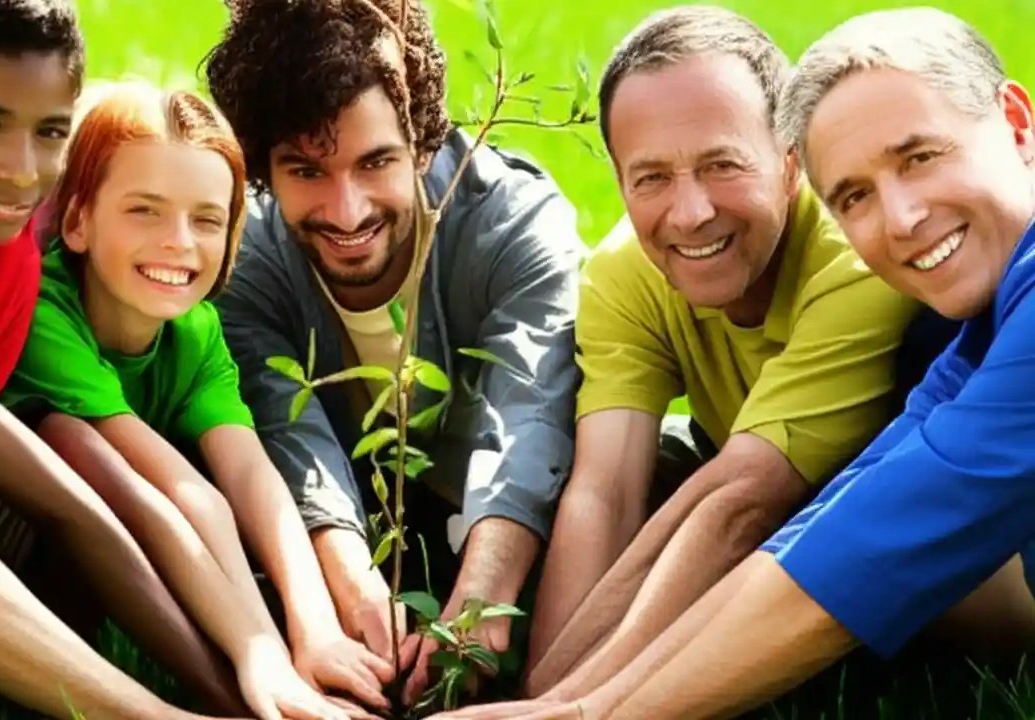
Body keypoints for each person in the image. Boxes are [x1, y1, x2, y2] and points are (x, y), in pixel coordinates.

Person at [436, 8, 1035, 720]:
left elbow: (860, 537)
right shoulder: (983, 332)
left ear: (1017, 122)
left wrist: (584, 713)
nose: (901, 217)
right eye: (856, 195)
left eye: (921, 157)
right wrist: (565, 699)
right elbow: (850, 516)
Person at [0, 1, 314, 717]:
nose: (18, 169)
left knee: (75, 447)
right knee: (71, 445)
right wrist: (240, 693)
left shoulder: (8, 256)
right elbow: (72, 507)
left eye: (48, 134)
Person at [519, 4, 929, 701]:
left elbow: (745, 497)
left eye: (722, 164)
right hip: (779, 530)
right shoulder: (624, 272)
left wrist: (566, 706)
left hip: (932, 541)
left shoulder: (856, 250)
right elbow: (605, 490)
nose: (691, 213)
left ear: (791, 161)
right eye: (651, 177)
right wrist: (537, 687)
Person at [202, 0, 583, 704]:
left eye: (376, 162)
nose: (346, 212)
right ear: (263, 169)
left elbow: (530, 413)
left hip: (494, 522)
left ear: (425, 142)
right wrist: (349, 584)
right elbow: (287, 426)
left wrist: (481, 596)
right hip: (358, 517)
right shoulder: (243, 258)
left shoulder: (514, 222)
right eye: (306, 172)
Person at [1, 80, 393, 715]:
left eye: (206, 219)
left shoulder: (196, 331)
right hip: (7, 551)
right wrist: (263, 647)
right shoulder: (43, 309)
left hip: (122, 560)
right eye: (144, 210)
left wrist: (314, 624)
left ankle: (281, 670)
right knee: (77, 443)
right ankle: (249, 691)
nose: (179, 241)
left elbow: (249, 473)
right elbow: (186, 492)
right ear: (76, 221)